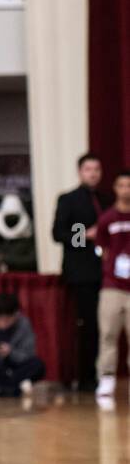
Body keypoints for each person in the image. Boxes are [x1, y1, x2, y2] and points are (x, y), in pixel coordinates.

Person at [53, 153, 107, 391]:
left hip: (106, 271)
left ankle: (103, 374)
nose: (92, 174)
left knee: (104, 326)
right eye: (88, 169)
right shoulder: (69, 199)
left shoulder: (107, 200)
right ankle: (84, 377)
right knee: (86, 325)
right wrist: (85, 235)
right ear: (80, 172)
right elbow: (58, 233)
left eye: (96, 169)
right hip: (81, 272)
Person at [93, 170, 130, 399]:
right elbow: (100, 248)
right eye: (122, 185)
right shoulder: (107, 218)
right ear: (115, 189)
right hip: (112, 286)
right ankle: (106, 378)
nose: (126, 190)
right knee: (108, 333)